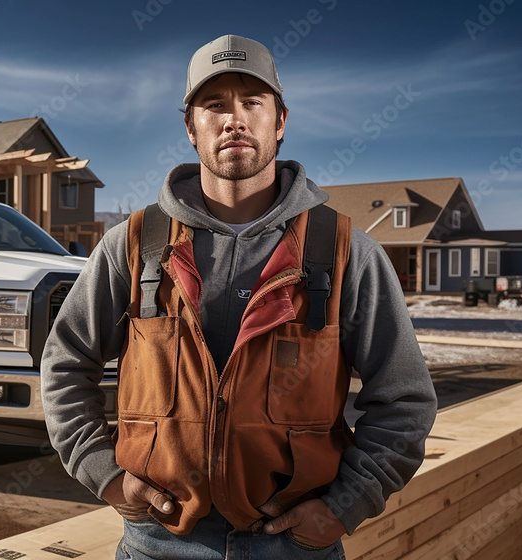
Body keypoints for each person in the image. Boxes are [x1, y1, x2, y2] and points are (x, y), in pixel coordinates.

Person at [41, 34, 437, 559]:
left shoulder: (345, 252)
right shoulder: (135, 246)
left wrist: (344, 507)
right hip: (159, 541)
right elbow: (66, 362)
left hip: (293, 546)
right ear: (190, 127)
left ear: (280, 121)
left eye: (252, 102)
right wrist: (104, 474)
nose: (234, 120)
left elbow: (405, 401)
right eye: (214, 105)